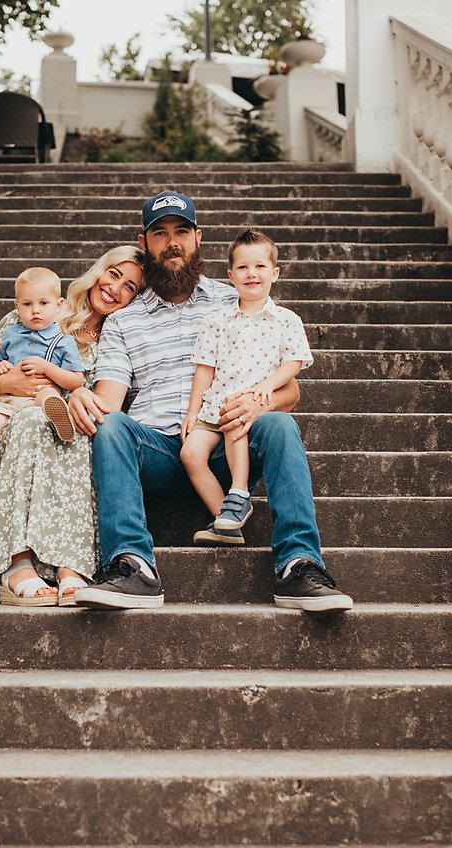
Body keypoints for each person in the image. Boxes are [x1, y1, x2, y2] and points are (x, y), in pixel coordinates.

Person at [69, 190, 353, 613]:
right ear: (145, 243)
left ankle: (299, 565)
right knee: (110, 427)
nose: (172, 243)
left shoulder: (235, 298)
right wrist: (77, 392)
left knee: (279, 424)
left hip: (227, 445)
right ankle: (132, 566)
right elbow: (108, 401)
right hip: (157, 451)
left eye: (181, 231)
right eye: (160, 233)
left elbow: (291, 392)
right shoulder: (124, 320)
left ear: (197, 238)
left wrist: (258, 404)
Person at [0, 246, 145, 606]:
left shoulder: (120, 337)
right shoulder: (38, 305)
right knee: (32, 421)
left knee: (80, 434)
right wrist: (14, 382)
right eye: (114, 274)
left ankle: (71, 563)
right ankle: (16, 563)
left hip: (68, 425)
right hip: (21, 417)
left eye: (130, 287)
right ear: (99, 272)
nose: (115, 288)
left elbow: (104, 401)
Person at [180, 227, 312, 546]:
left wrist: (267, 385)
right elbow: (204, 370)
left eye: (260, 266)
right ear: (231, 275)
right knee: (190, 453)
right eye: (242, 267)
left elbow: (293, 362)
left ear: (274, 273)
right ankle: (225, 519)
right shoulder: (216, 321)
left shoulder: (286, 320)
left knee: (235, 412)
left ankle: (239, 492)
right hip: (212, 408)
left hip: (247, 406)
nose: (251, 273)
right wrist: (192, 411)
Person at [0, 267, 84, 508]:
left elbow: (76, 379)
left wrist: (47, 368)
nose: (35, 310)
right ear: (17, 306)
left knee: (49, 394)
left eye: (43, 303)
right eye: (27, 304)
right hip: (9, 402)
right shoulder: (10, 333)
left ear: (59, 305)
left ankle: (58, 418)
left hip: (40, 400)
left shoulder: (64, 341)